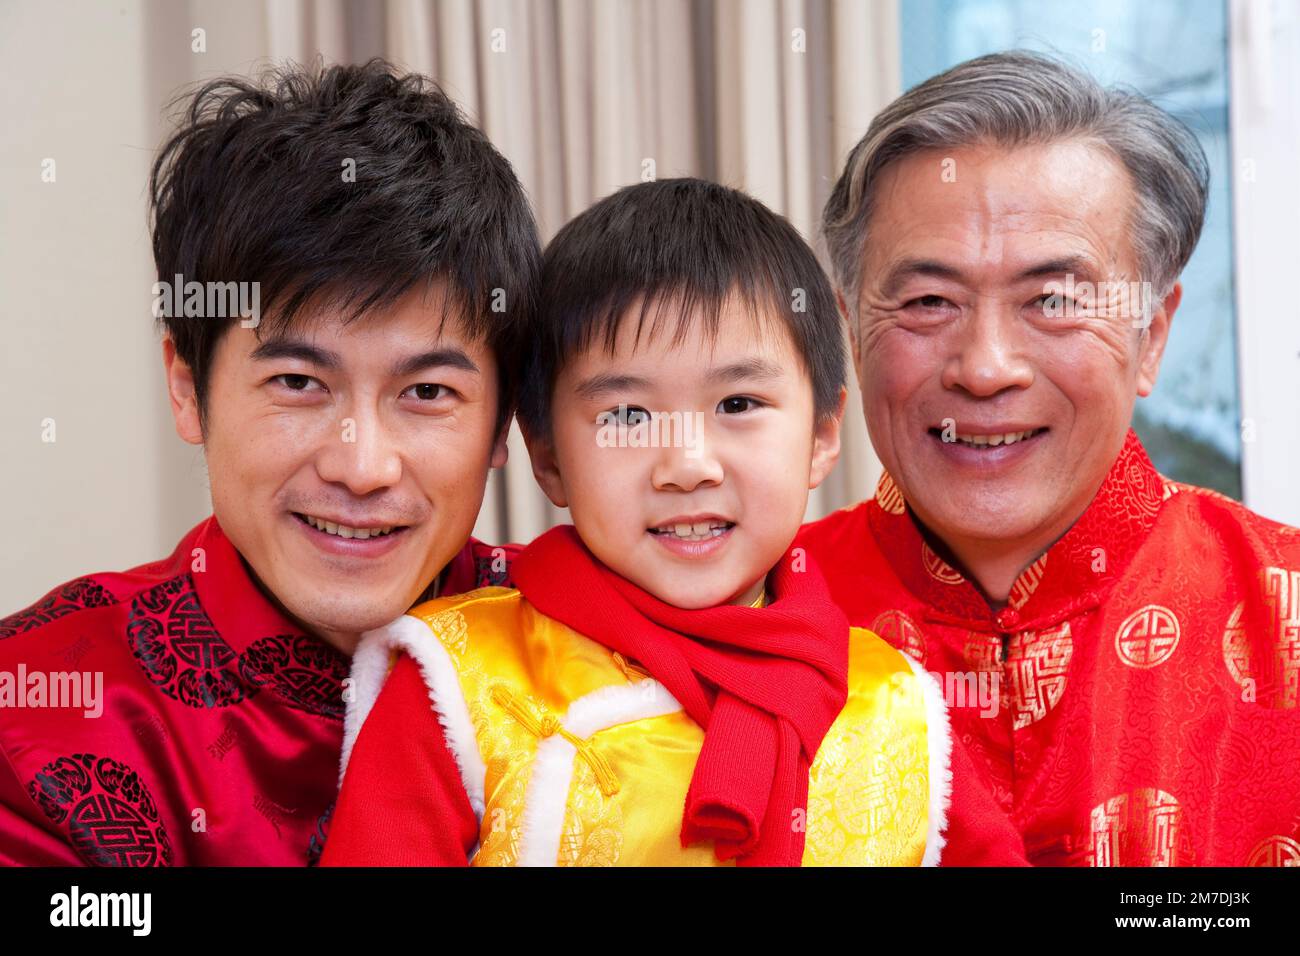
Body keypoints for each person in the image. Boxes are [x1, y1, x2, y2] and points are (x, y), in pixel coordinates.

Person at [321, 178, 1026, 867]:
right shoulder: (461, 679)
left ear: (820, 436)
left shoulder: (895, 699)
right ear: (548, 457)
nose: (687, 464)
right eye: (628, 416)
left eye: (738, 404)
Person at [0, 59, 540, 865]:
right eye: (297, 382)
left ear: (504, 421)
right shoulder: (35, 709)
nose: (363, 468)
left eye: (426, 391)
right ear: (188, 388)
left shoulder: (593, 650)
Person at [798, 51, 1300, 866]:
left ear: (1152, 338)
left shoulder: (1287, 617)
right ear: (852, 331)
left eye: (1054, 301)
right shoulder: (744, 619)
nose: (987, 366)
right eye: (929, 301)